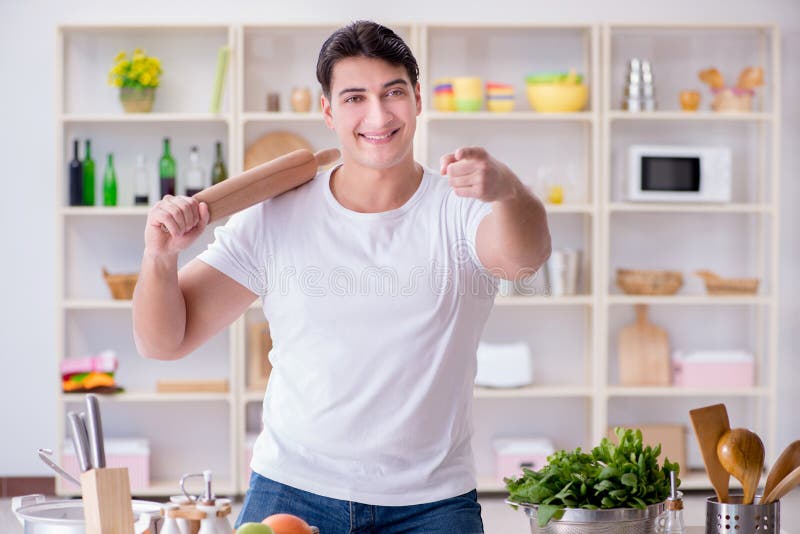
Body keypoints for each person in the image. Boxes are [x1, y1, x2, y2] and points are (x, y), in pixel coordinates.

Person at [133, 20, 550, 534]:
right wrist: (159, 257)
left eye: (393, 92)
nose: (377, 114)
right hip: (291, 490)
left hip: (433, 504)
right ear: (328, 111)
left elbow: (523, 262)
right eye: (355, 97)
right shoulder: (273, 216)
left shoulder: (461, 210)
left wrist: (507, 190)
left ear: (417, 99)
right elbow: (163, 341)